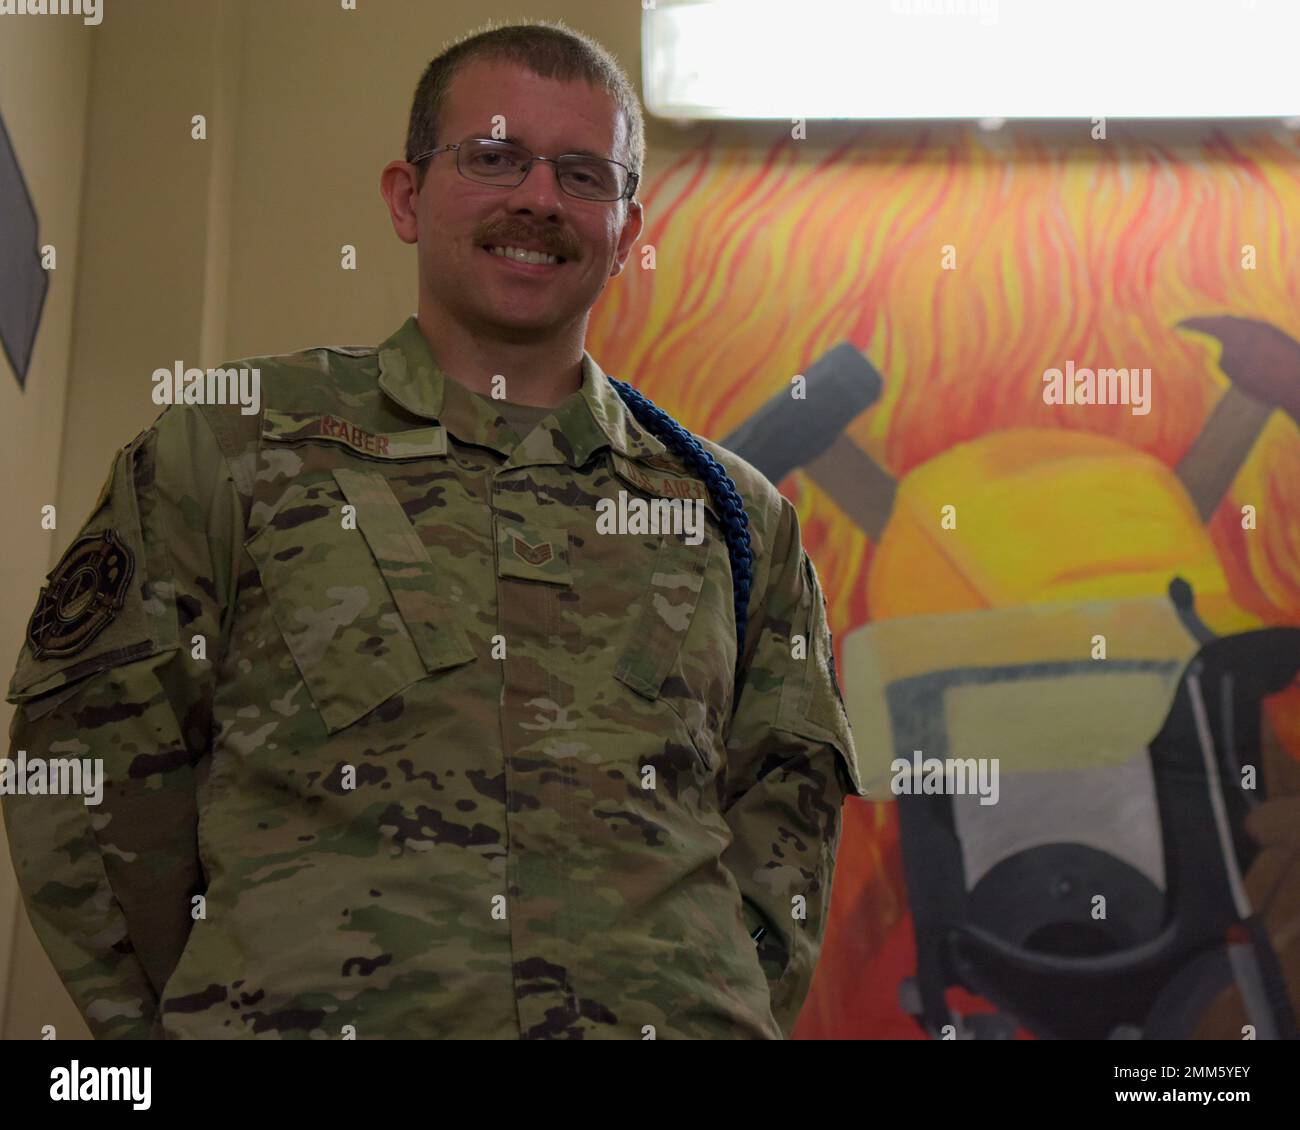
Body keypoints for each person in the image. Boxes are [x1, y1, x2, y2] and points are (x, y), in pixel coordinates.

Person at [2, 19, 864, 1040]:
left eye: (584, 175)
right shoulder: (230, 449)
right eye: (494, 157)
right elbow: (90, 765)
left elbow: (786, 825)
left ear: (627, 230)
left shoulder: (736, 518)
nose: (538, 199)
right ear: (407, 198)